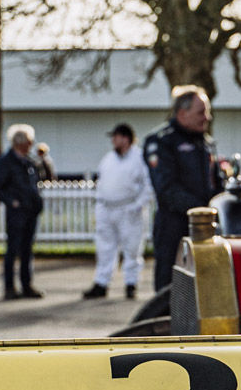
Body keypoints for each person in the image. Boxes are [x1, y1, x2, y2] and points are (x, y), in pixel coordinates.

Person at [145, 85, 226, 292]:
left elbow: (216, 184)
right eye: (201, 112)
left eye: (208, 112)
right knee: (170, 290)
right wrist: (202, 211)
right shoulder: (161, 141)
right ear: (183, 113)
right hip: (174, 228)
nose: (207, 118)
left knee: (207, 290)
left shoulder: (207, 143)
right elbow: (166, 188)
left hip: (206, 229)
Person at [87, 121, 152, 300]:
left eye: (116, 137)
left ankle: (131, 283)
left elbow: (148, 184)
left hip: (128, 209)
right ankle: (102, 282)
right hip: (107, 207)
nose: (113, 141)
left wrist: (139, 204)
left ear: (126, 138)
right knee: (104, 248)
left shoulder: (139, 158)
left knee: (132, 248)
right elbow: (102, 181)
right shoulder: (109, 158)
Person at [0, 123, 51, 301]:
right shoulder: (6, 162)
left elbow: (43, 178)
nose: (32, 144)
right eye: (29, 141)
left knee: (27, 249)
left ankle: (26, 284)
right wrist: (12, 202)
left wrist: (43, 161)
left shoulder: (29, 161)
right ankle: (9, 287)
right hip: (17, 212)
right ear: (20, 143)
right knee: (13, 249)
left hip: (31, 210)